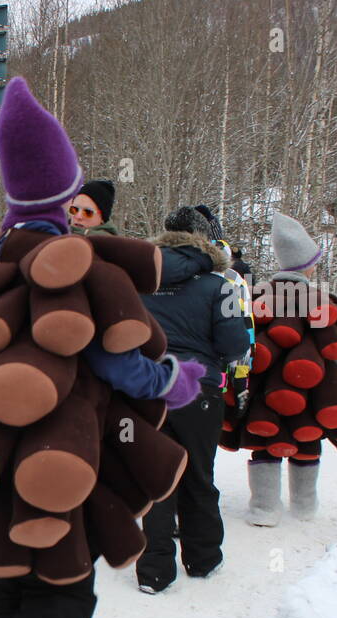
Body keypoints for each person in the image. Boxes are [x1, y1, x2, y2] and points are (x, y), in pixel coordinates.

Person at [0, 79, 206, 618]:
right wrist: (173, 382)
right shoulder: (76, 269)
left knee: (4, 574)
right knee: (65, 585)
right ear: (65, 193)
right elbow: (119, 363)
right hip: (65, 457)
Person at [135, 206, 250, 593]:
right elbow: (235, 344)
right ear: (204, 240)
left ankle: (153, 571)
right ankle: (203, 559)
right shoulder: (222, 286)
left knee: (157, 477)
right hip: (199, 388)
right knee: (199, 474)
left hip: (149, 386)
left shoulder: (139, 282)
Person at [245, 212, 337, 525]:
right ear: (306, 265)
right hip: (314, 390)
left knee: (265, 438)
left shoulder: (257, 296)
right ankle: (304, 506)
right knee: (308, 437)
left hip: (263, 389)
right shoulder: (320, 300)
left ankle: (264, 508)